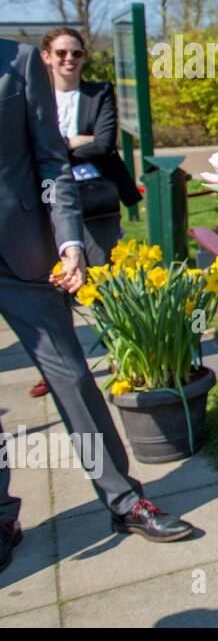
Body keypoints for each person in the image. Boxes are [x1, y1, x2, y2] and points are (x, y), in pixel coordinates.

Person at [0, 39, 194, 578]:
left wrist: (69, 241)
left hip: (24, 255)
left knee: (73, 378)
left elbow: (48, 157)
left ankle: (125, 500)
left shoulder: (17, 63)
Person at [28, 27, 141, 398]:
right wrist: (77, 142)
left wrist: (55, 148)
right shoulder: (34, 95)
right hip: (48, 197)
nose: (68, 60)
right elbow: (29, 148)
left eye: (75, 53)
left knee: (105, 277)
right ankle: (60, 368)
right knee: (54, 284)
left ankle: (120, 357)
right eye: (60, 53)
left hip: (95, 195)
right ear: (46, 56)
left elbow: (105, 144)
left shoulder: (98, 92)